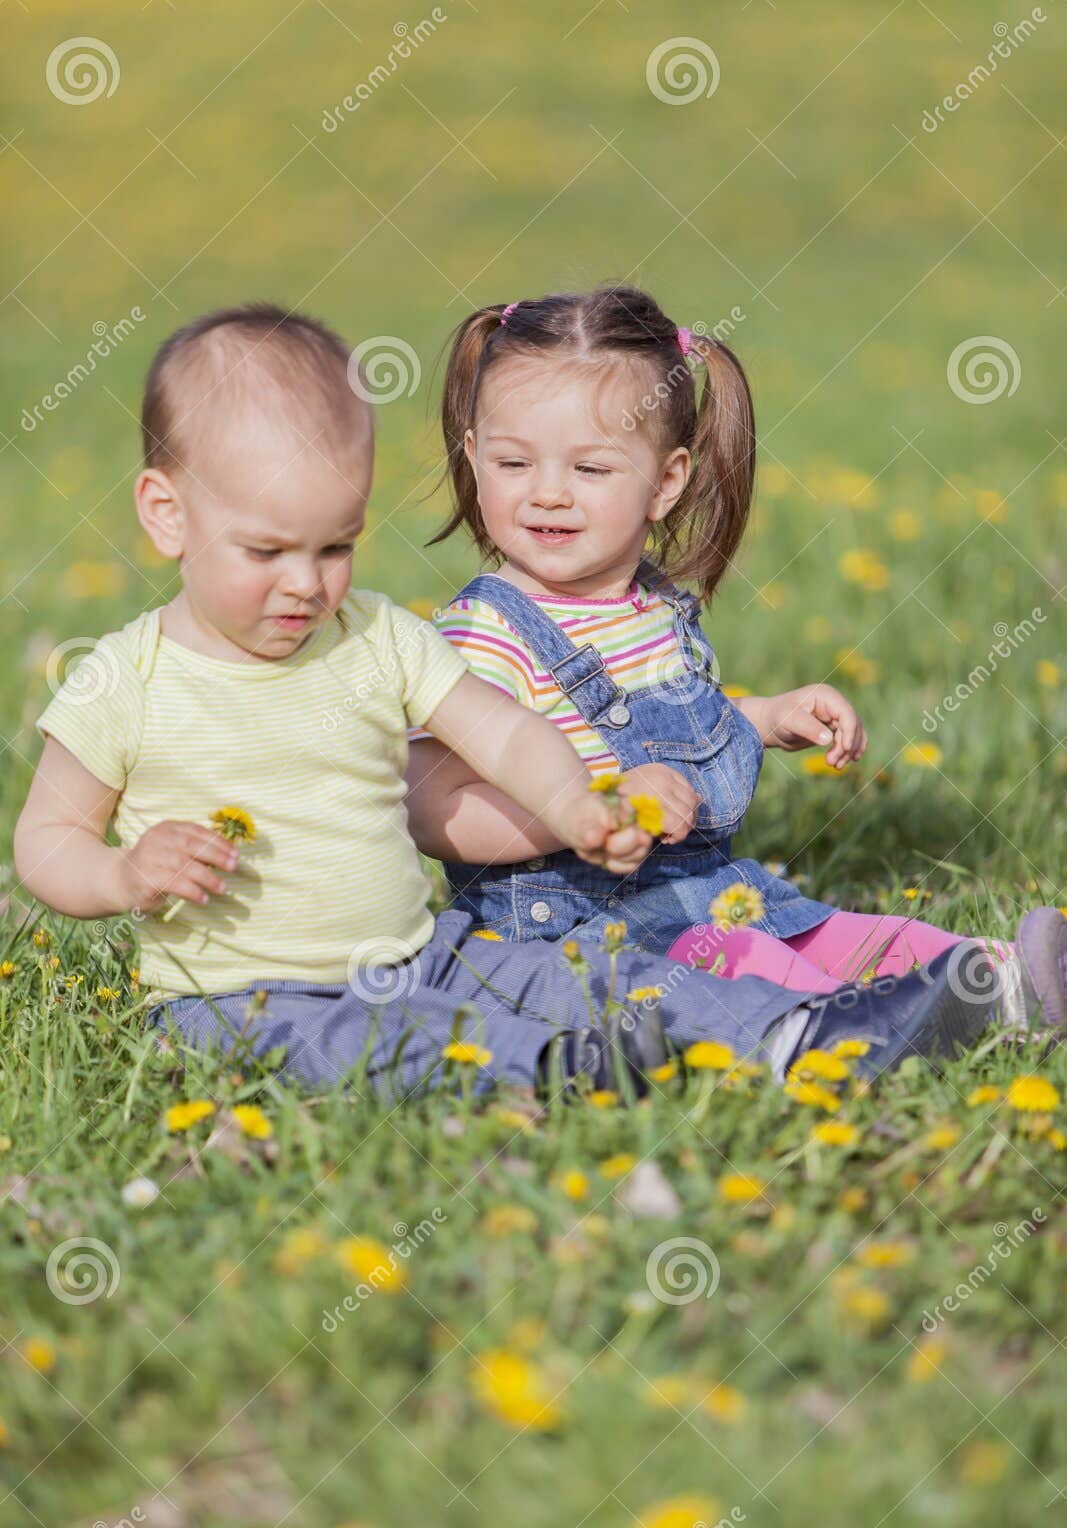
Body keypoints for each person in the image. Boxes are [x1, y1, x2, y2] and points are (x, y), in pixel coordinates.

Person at [12, 304, 1061, 1106]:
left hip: (418, 949)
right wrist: (119, 871)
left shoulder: (376, 635)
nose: (305, 582)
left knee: (575, 978)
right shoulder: (124, 678)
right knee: (384, 1047)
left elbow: (503, 732)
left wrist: (574, 805)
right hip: (236, 997)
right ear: (166, 514)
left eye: (334, 545)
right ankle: (566, 1072)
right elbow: (46, 839)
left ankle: (800, 1038)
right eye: (267, 551)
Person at [405, 283, 1065, 1017]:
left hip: (698, 899)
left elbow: (679, 728)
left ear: (665, 482)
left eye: (588, 470)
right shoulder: (483, 635)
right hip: (576, 940)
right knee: (748, 960)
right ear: (471, 456)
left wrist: (761, 719)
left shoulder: (650, 608)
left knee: (829, 932)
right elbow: (433, 809)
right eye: (512, 464)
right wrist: (585, 808)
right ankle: (883, 1022)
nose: (547, 494)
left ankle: (998, 980)